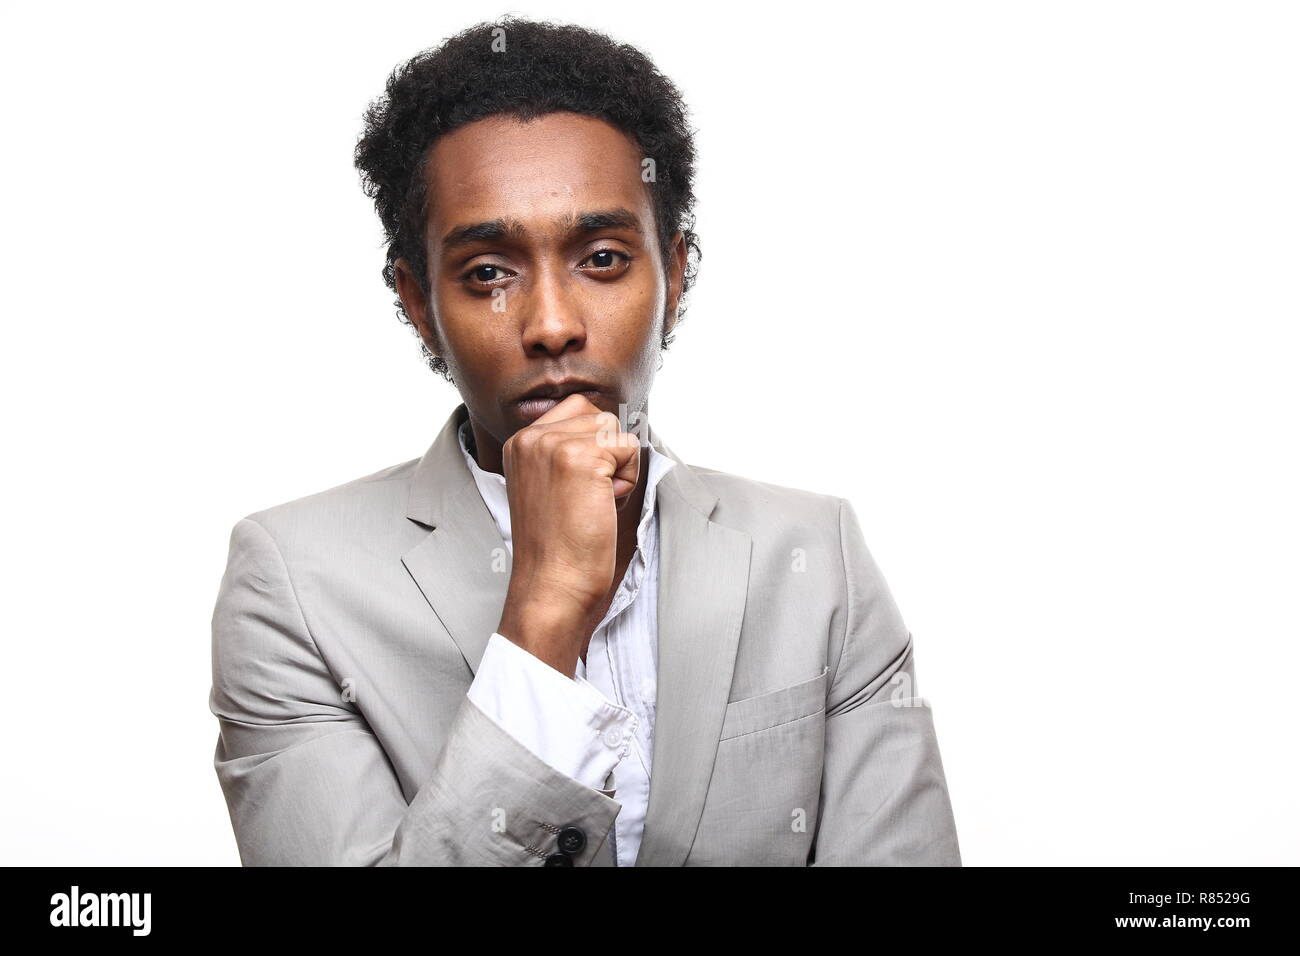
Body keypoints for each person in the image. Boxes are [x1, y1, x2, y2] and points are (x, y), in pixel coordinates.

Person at [209, 16, 961, 866]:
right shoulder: (294, 586)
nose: (553, 325)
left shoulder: (816, 556)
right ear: (420, 303)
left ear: (675, 274)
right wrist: (543, 610)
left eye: (602, 258)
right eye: (488, 273)